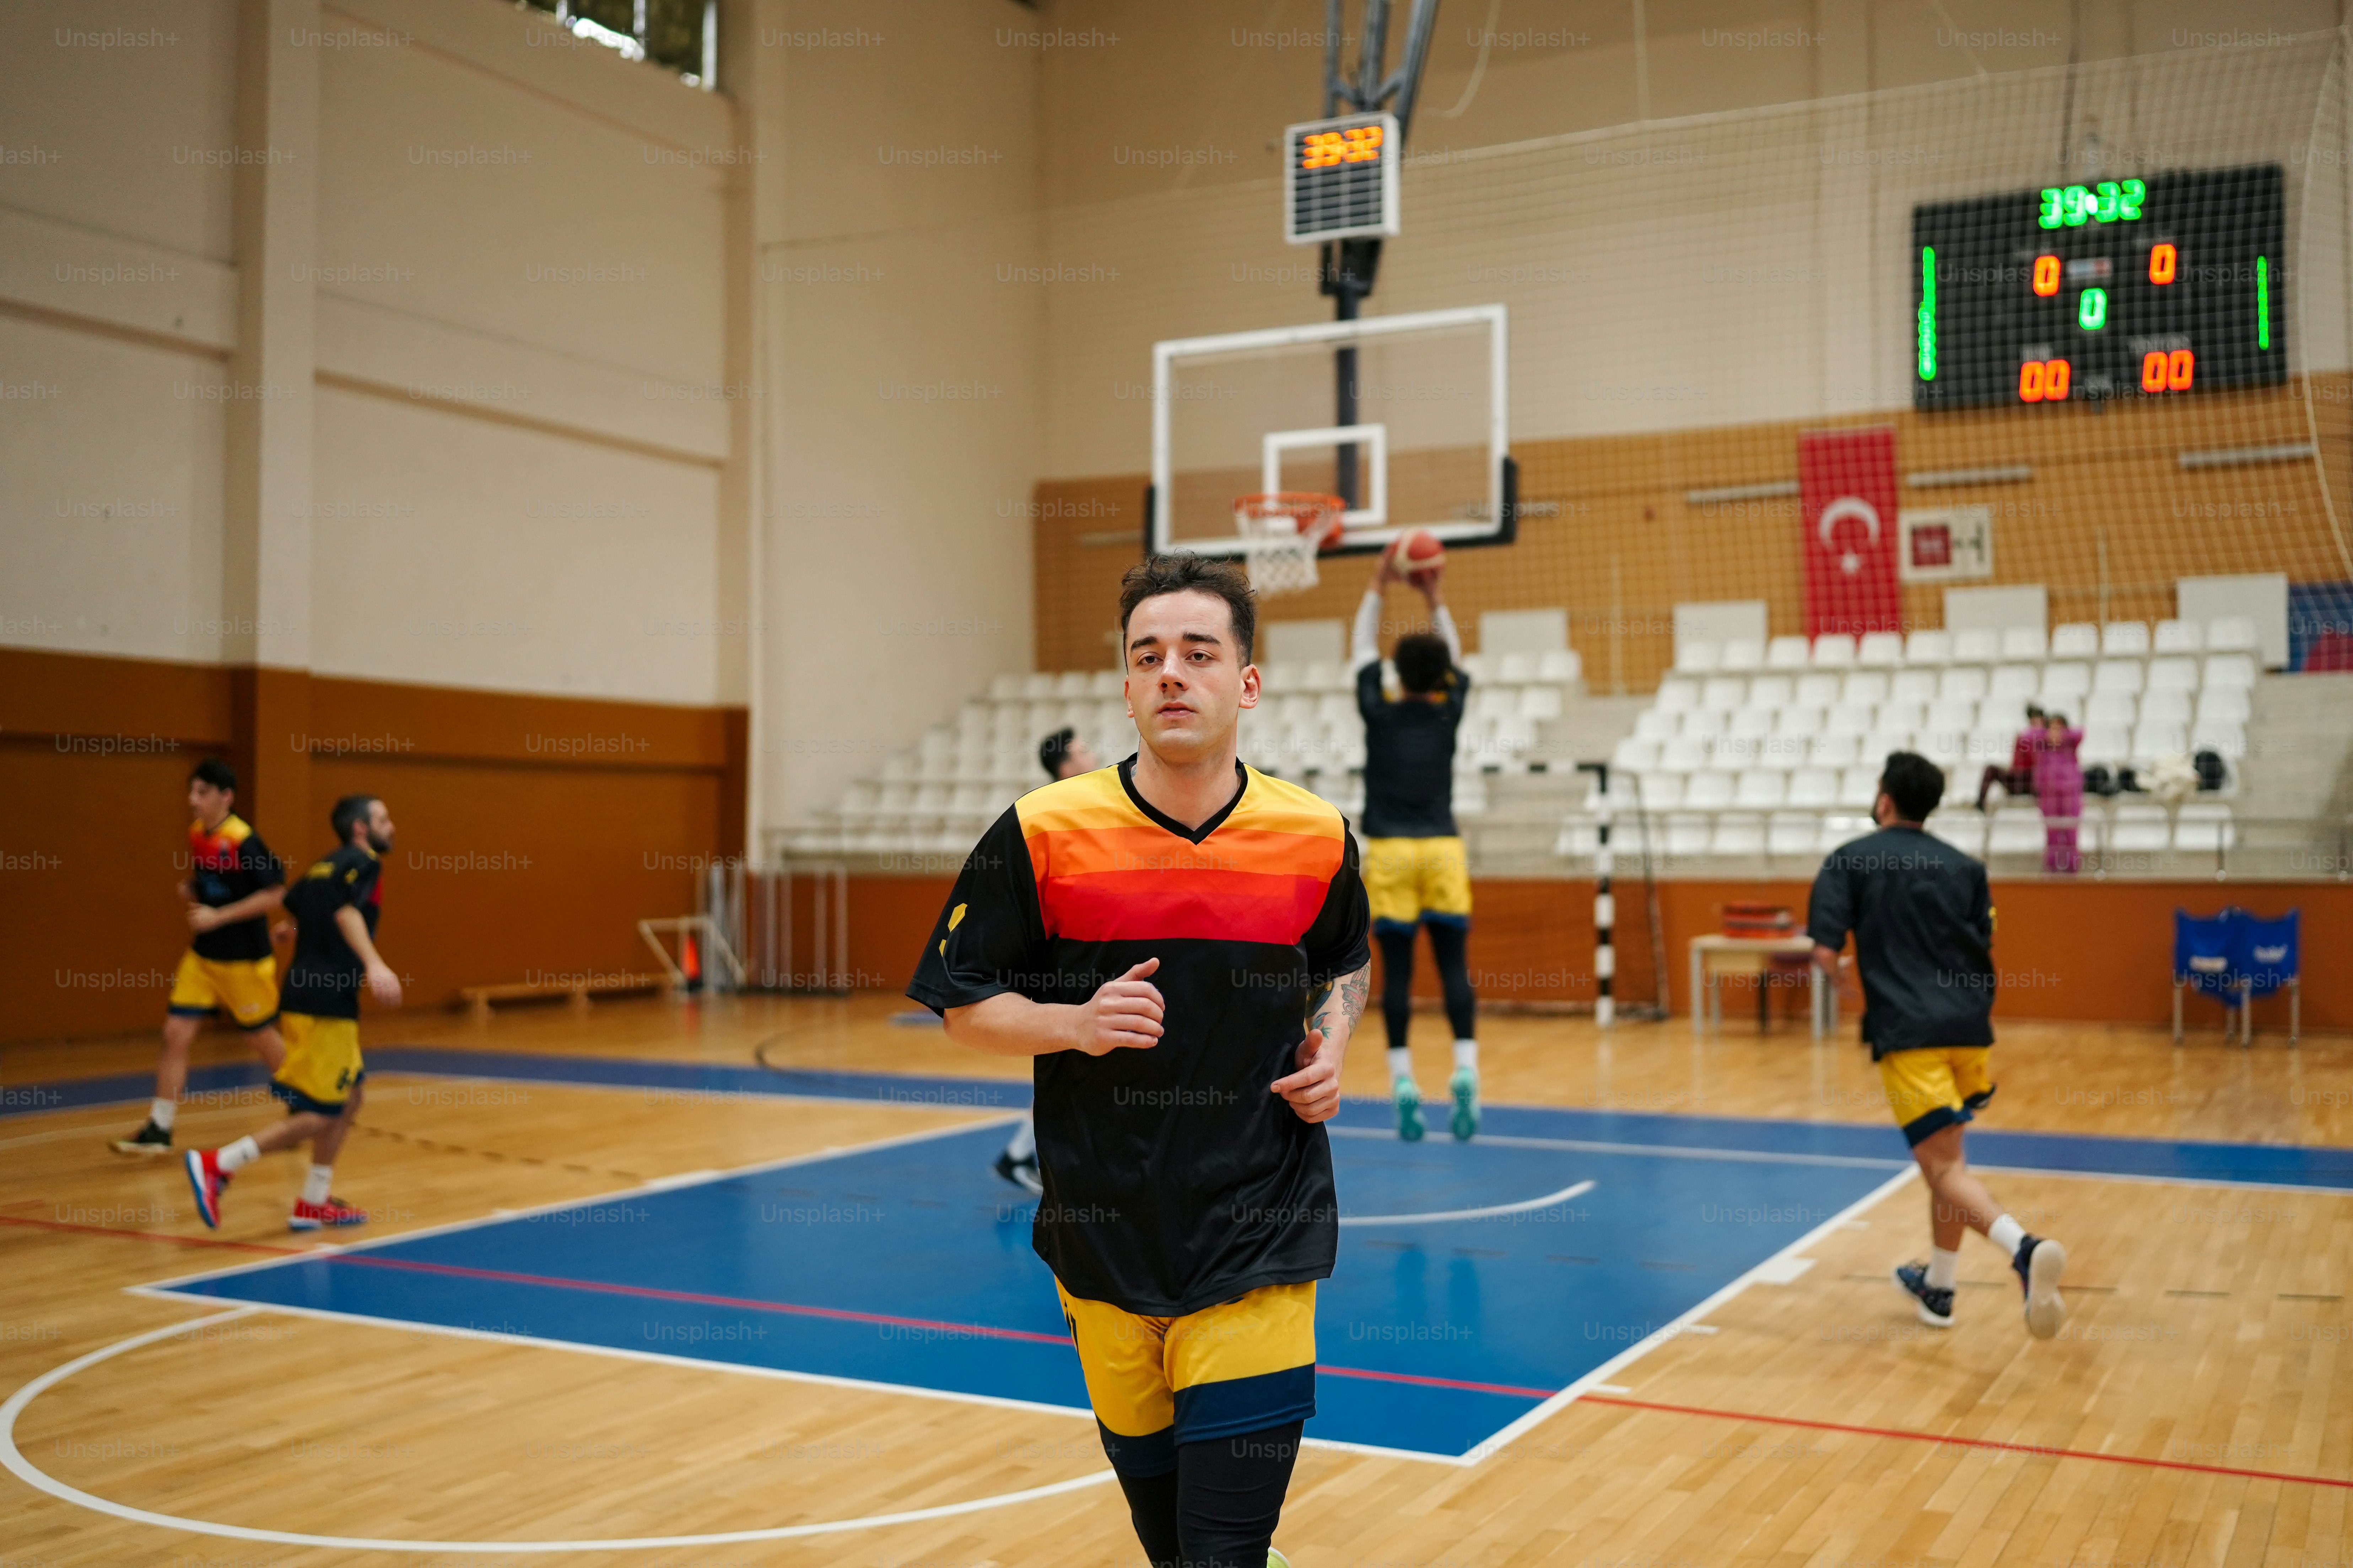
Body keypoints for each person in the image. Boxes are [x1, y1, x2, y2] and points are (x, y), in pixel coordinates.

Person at [911, 555, 1369, 1568]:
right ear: (1123, 685)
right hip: (1103, 1240)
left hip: (1260, 1230)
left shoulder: (1313, 835)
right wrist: (1069, 1024)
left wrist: (1329, 1041)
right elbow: (961, 1005)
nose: (1171, 673)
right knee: (1168, 1546)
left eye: (1197, 653)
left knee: (1218, 1550)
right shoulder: (1041, 832)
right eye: (1147, 655)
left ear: (1244, 682)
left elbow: (1342, 956)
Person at [1807, 751, 2067, 1340]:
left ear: (1882, 799)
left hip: (1910, 1030)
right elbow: (1982, 938)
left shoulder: (1849, 859)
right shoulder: (1966, 867)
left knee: (1943, 1166)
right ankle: (1939, 1288)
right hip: (1969, 1030)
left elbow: (1823, 950)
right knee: (1945, 1165)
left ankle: (2023, 1247)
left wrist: (1845, 978)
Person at [187, 795, 401, 1232]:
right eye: (382, 818)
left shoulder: (327, 864)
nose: (391, 826)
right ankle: (220, 1163)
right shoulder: (365, 863)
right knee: (321, 1110)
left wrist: (293, 928)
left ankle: (313, 1201)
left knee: (351, 1095)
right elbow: (342, 910)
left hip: (307, 994)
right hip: (327, 1001)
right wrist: (375, 963)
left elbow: (303, 899)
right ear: (360, 828)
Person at [1352, 553, 1479, 1141]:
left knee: (1397, 974)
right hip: (1442, 849)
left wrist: (1377, 587)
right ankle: (1466, 1069)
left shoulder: (1377, 712)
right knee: (1454, 966)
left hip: (1391, 852)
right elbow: (1454, 659)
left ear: (1398, 673)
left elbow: (1360, 654)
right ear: (1439, 677)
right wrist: (1435, 599)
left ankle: (1402, 1078)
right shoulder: (1449, 712)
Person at [112, 761, 289, 1155]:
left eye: (202, 793)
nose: (192, 801)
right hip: (203, 958)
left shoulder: (244, 839)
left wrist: (219, 916)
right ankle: (160, 1128)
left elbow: (276, 892)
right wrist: (194, 887)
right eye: (191, 792)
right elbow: (221, 882)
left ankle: (307, 1107)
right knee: (174, 1035)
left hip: (243, 961)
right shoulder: (198, 833)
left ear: (226, 797)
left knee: (262, 1038)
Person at [992, 726, 1108, 1195]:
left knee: (1078, 1061)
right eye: (1083, 751)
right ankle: (1023, 1153)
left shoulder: (1089, 809)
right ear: (1066, 767)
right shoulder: (1051, 818)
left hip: (1075, 958)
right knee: (1069, 1060)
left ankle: (1025, 1152)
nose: (1094, 755)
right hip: (1056, 960)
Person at [2033, 710, 2085, 874]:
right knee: (2052, 832)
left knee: (2071, 832)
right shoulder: (2042, 747)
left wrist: (2064, 735)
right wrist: (2046, 734)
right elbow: (2027, 736)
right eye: (2052, 728)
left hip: (2070, 794)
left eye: (2059, 728)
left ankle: (2072, 868)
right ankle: (2053, 868)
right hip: (2049, 795)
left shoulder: (2071, 746)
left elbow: (2081, 733)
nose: (2055, 733)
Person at [1973, 703, 2044, 812]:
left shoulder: (2047, 739)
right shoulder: (2023, 737)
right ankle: (1981, 803)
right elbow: (2017, 761)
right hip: (2018, 779)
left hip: (2033, 781)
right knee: (1991, 770)